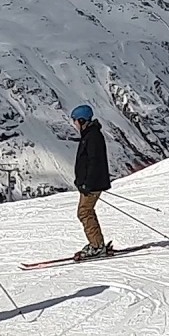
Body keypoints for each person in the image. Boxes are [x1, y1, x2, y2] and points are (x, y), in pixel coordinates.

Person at [71, 104, 114, 260]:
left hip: (92, 184)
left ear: (82, 121)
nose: (74, 124)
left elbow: (94, 162)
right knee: (85, 212)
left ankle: (96, 246)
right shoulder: (90, 135)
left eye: (75, 121)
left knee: (84, 212)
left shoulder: (92, 136)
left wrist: (87, 183)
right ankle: (97, 244)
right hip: (91, 183)